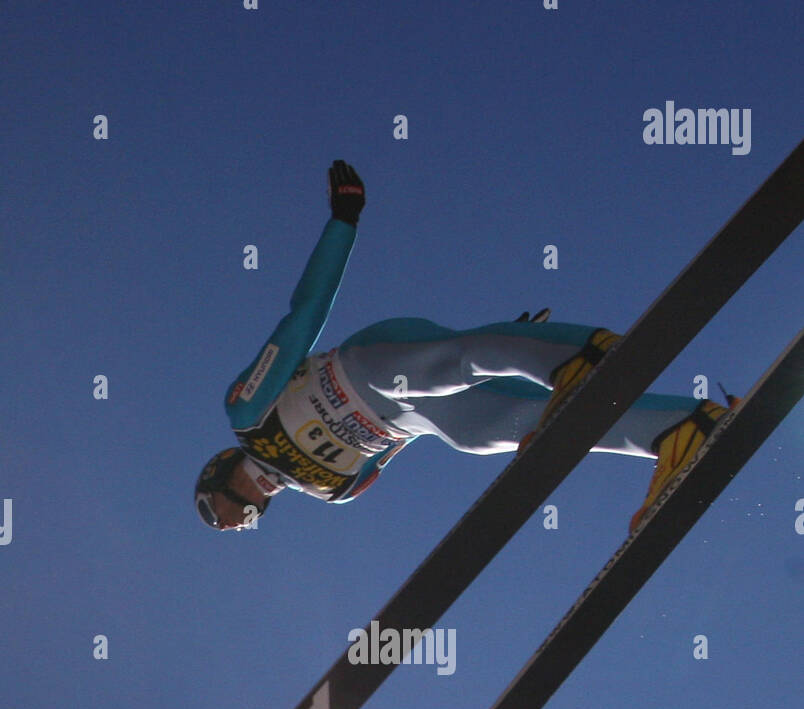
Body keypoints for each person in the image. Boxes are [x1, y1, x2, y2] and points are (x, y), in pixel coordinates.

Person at [195, 161, 737, 535]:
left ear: (219, 472)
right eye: (247, 521)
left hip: (373, 363)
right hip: (411, 414)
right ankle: (678, 430)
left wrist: (343, 221)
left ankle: (575, 355)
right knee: (477, 436)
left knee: (443, 365)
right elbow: (394, 444)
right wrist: (514, 347)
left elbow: (305, 316)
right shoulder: (335, 491)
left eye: (230, 508)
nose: (247, 512)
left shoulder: (247, 413)